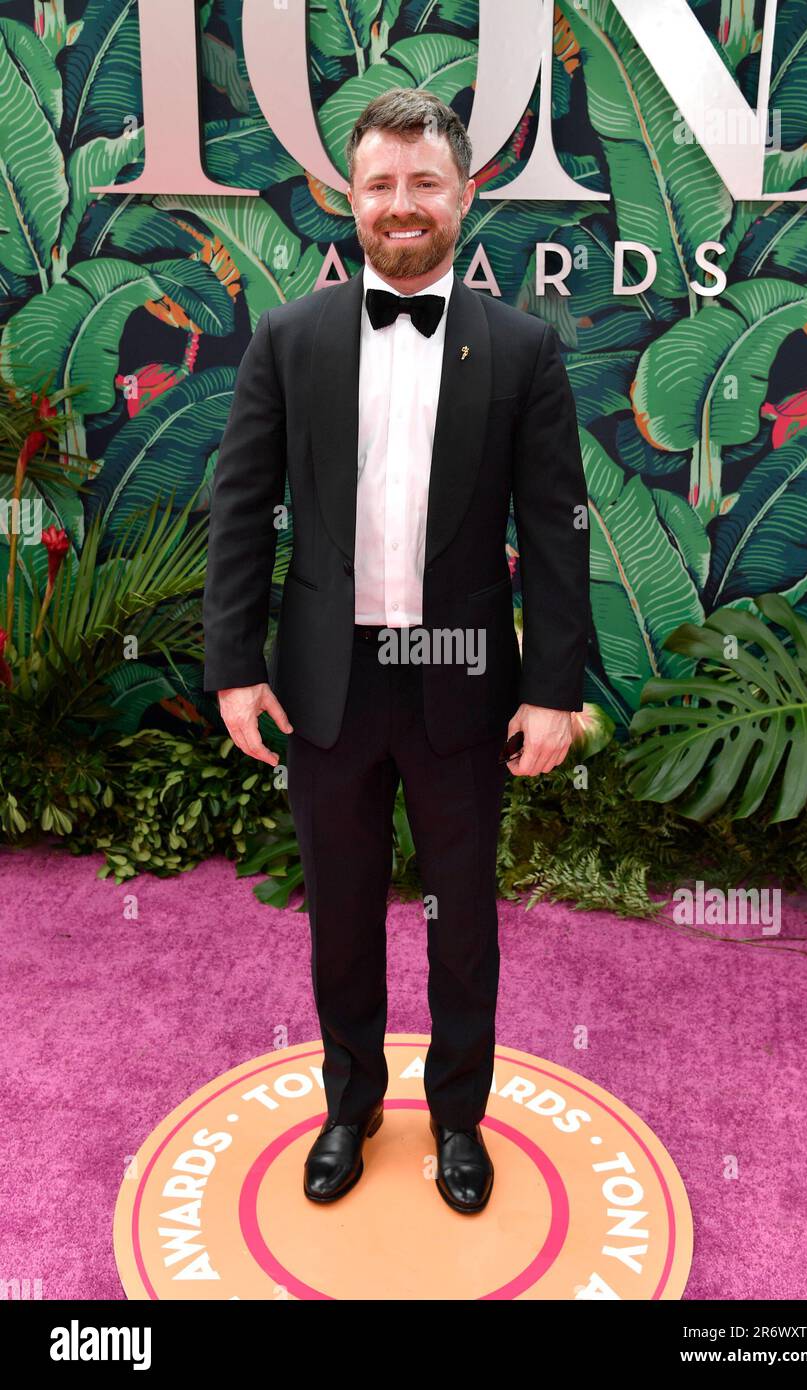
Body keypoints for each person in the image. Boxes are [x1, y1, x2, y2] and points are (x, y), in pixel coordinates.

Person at [203, 88, 590, 1215]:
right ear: (349, 196)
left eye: (425, 182)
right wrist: (234, 663)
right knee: (341, 910)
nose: (402, 204)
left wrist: (554, 689)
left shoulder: (522, 351)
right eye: (381, 183)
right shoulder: (288, 337)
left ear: (463, 195)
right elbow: (240, 509)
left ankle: (459, 1121)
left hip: (465, 679)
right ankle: (349, 1104)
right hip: (327, 682)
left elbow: (557, 530)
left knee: (464, 918)